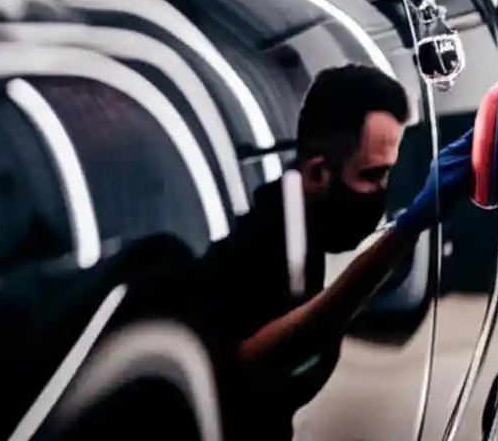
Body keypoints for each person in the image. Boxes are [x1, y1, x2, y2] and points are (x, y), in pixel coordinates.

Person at [195, 64, 472, 440]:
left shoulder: (300, 226)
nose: (382, 191)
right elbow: (248, 364)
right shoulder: (258, 240)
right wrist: (405, 232)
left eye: (388, 175)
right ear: (318, 174)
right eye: (371, 175)